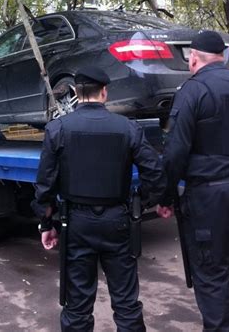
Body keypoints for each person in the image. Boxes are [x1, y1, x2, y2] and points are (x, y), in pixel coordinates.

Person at [157, 31, 229, 331]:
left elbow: (175, 153)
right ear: (222, 58)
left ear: (193, 58)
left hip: (211, 195)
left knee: (211, 271)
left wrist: (166, 195)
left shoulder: (192, 91)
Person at [32, 66, 166, 331]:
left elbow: (45, 184)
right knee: (126, 302)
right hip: (117, 220)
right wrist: (151, 200)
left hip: (76, 223)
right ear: (104, 92)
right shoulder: (127, 128)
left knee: (77, 305)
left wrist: (46, 224)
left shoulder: (58, 129)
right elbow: (155, 170)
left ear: (76, 93)